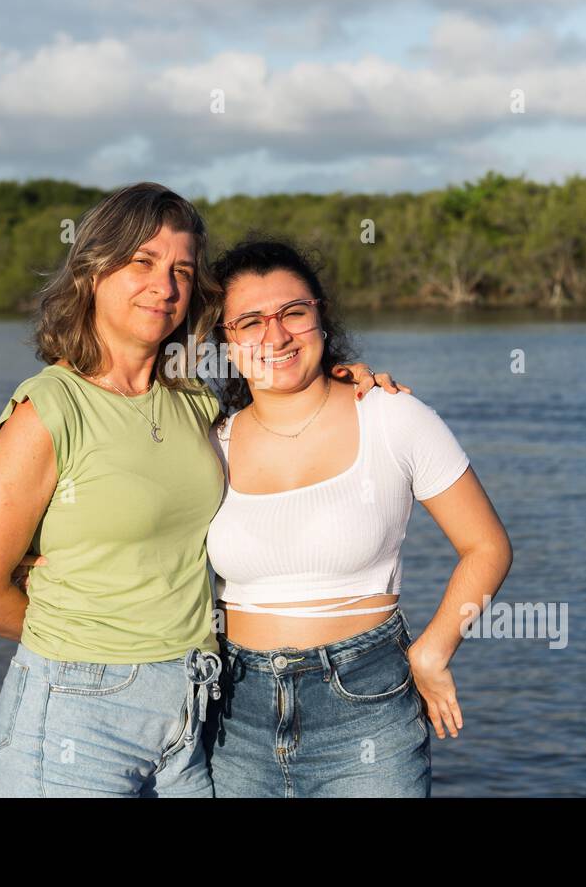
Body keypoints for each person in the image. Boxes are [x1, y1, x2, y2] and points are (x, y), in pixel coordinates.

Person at [0, 183, 401, 797]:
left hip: (193, 714)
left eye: (183, 270)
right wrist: (83, 640)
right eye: (143, 262)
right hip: (77, 718)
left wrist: (343, 380)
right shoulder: (49, 410)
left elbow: (276, 396)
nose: (165, 286)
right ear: (93, 270)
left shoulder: (193, 399)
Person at [202, 237, 514, 798]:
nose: (275, 336)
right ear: (224, 341)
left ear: (321, 316)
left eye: (293, 313)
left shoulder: (393, 416)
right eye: (249, 322)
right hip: (233, 714)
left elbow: (486, 546)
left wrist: (435, 648)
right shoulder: (207, 443)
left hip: (365, 707)